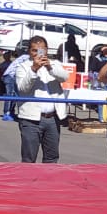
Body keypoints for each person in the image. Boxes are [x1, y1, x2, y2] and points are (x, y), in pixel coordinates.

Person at [14, 35, 68, 163]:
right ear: (29, 51)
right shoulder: (23, 66)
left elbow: (65, 77)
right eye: (34, 50)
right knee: (29, 158)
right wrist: (34, 69)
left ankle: (47, 182)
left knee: (52, 157)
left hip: (53, 118)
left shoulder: (54, 64)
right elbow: (22, 88)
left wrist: (50, 67)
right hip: (31, 119)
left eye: (42, 50)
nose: (38, 53)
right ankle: (29, 182)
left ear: (47, 51)